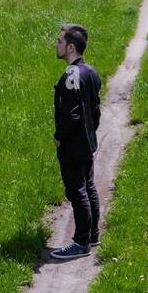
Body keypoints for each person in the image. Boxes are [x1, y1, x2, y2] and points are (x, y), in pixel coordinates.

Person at [50, 23, 102, 260]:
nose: (56, 44)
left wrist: (59, 138)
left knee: (77, 190)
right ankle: (92, 235)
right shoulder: (91, 72)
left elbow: (70, 115)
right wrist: (90, 134)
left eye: (60, 41)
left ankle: (81, 242)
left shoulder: (71, 75)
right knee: (89, 187)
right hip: (88, 142)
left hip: (73, 143)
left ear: (71, 47)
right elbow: (95, 112)